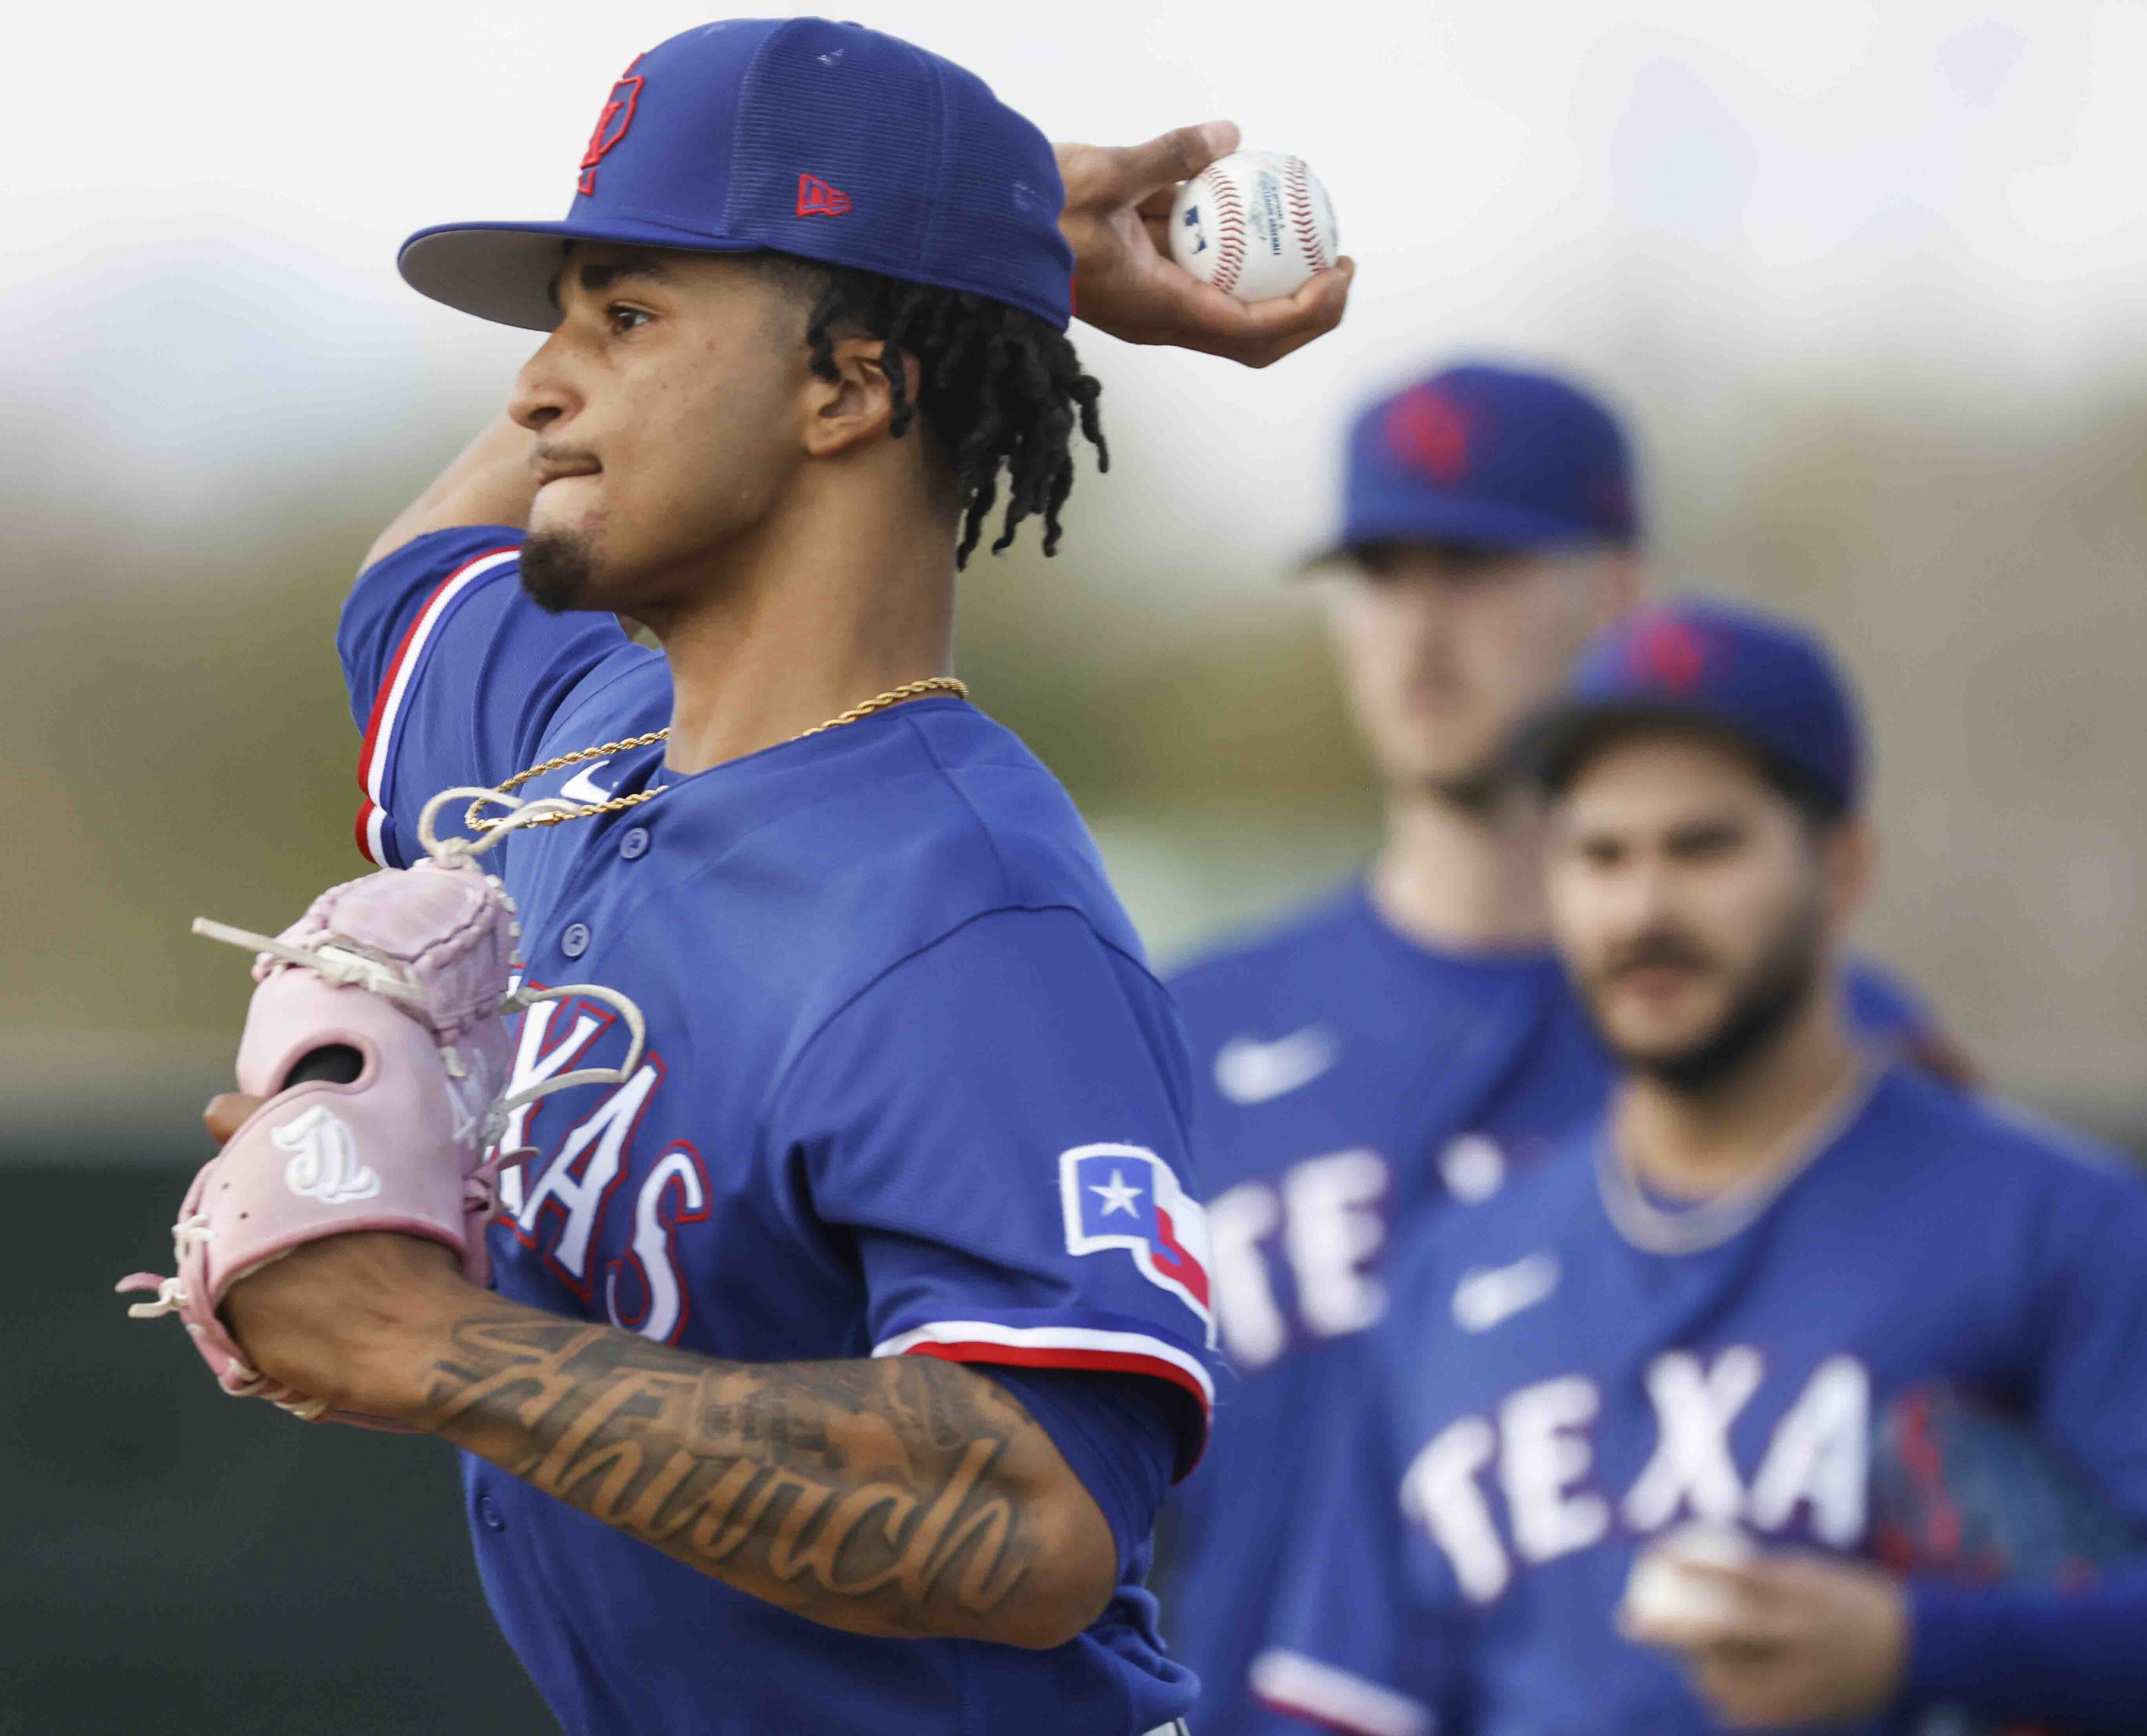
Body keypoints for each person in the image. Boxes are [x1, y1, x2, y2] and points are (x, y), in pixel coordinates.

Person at [183, 19, 1351, 1736]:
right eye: (560, 317)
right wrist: (998, 228)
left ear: (850, 388)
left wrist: (432, 1342)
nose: (536, 388)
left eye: (626, 317)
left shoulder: (969, 916)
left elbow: (1038, 1510)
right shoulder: (576, 739)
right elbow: (416, 580)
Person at [1157, 365, 1966, 1735]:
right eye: (1377, 575)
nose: (1418, 632)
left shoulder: (1823, 1044)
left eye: (1474, 570)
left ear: (1617, 596)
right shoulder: (1185, 1027)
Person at [1250, 599, 2147, 1734]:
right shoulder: (1449, 1270)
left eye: (1703, 847)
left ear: (1841, 866)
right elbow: (1338, 1702)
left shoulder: (2058, 1227)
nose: (1643, 908)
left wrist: (1919, 1646)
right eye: (1600, 855)